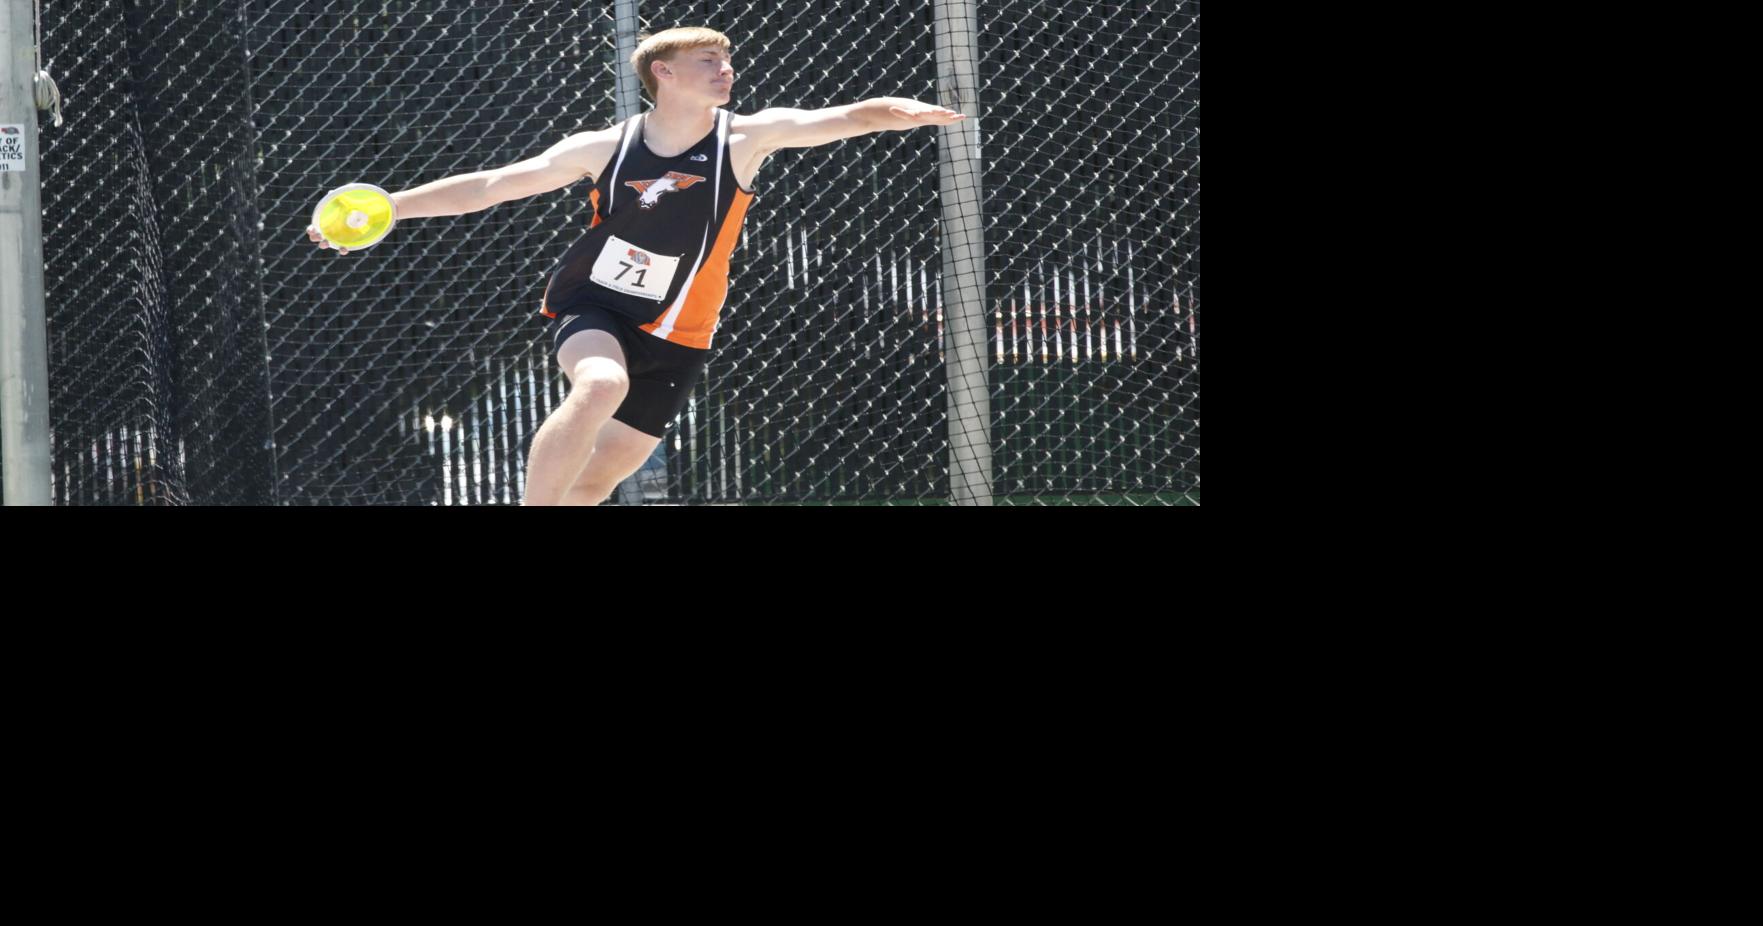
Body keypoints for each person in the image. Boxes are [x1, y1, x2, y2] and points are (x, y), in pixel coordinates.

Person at [307, 26, 966, 505]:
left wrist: (889, 113)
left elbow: (837, 118)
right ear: (664, 74)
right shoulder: (605, 147)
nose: (725, 69)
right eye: (708, 60)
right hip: (595, 305)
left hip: (682, 332)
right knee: (598, 387)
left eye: (727, 60)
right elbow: (491, 186)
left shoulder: (746, 137)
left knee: (600, 479)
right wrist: (393, 205)